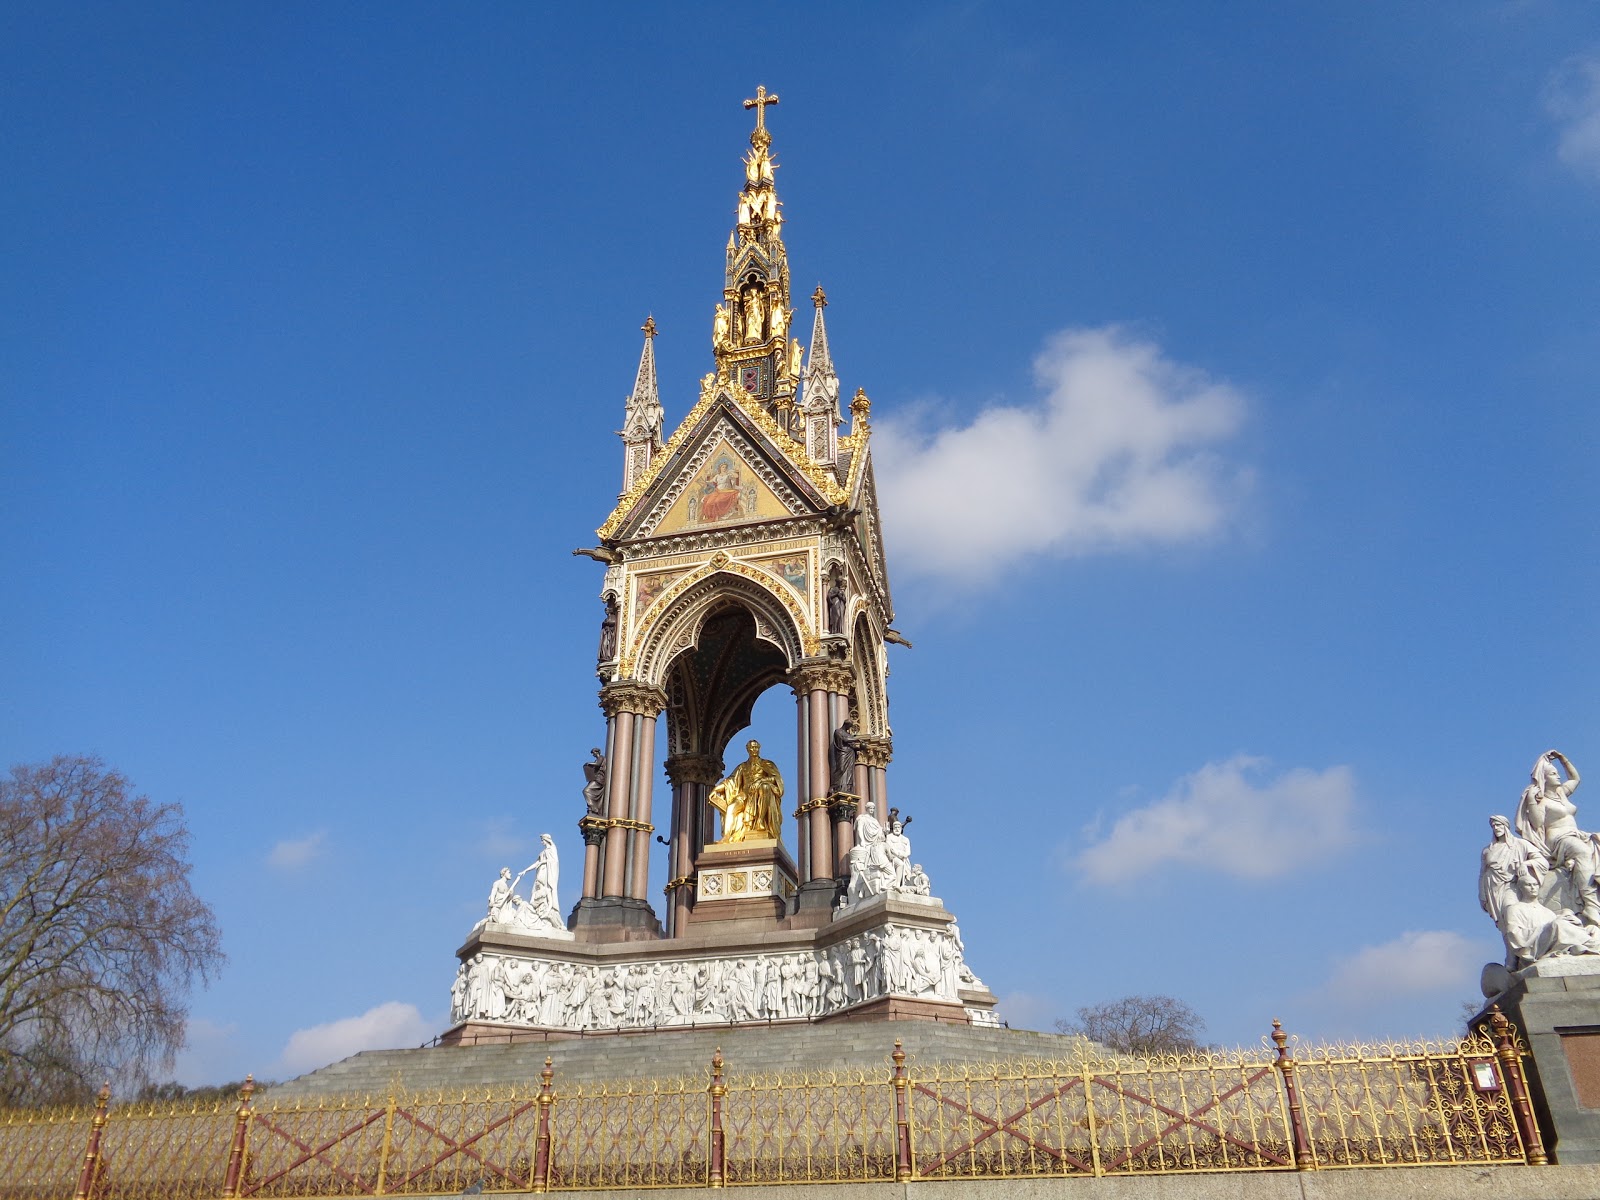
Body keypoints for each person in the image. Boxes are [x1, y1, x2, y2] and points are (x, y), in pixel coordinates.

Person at [1517, 750, 1596, 925]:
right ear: (1544, 779)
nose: (1558, 776)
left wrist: (1563, 759)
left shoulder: (1561, 793)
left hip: (1576, 836)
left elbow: (1576, 779)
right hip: (1558, 840)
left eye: (1558, 773)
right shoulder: (1541, 800)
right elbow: (1537, 823)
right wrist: (1531, 799)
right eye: (1553, 774)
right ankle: (1591, 905)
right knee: (1582, 851)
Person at [709, 740, 785, 842]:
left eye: (756, 747)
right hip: (744, 795)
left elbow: (776, 778)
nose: (754, 750)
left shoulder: (766, 764)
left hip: (760, 792)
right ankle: (727, 836)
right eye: (752, 748)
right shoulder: (742, 767)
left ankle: (760, 821)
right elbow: (730, 780)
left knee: (765, 787)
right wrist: (716, 789)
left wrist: (760, 781)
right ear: (748, 749)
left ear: (759, 748)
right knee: (731, 807)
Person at [527, 834, 561, 929]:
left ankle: (548, 908)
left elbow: (554, 862)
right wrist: (525, 870)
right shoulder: (543, 852)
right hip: (540, 872)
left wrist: (543, 862)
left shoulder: (552, 849)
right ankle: (535, 908)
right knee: (536, 889)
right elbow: (536, 863)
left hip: (547, 872)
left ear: (546, 840)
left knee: (546, 889)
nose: (541, 841)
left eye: (542, 839)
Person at [830, 717, 859, 796]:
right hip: (842, 753)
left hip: (850, 754)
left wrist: (860, 747)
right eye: (849, 726)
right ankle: (835, 786)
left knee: (849, 772)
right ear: (846, 725)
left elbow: (852, 745)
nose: (849, 728)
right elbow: (845, 740)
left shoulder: (849, 734)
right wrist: (856, 739)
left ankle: (847, 788)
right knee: (841, 769)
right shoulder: (838, 731)